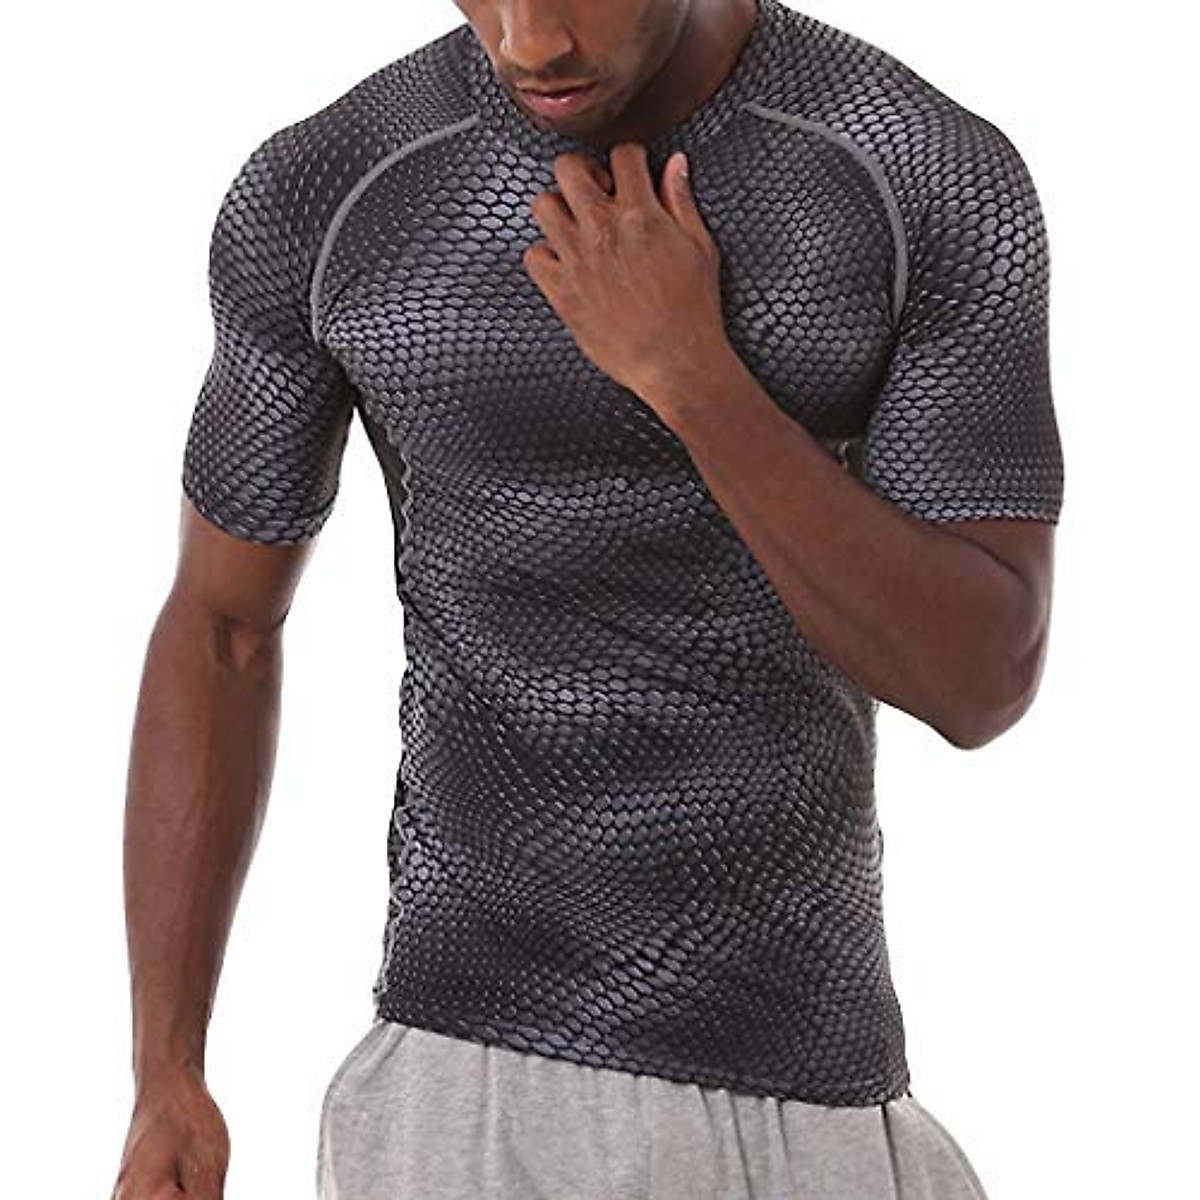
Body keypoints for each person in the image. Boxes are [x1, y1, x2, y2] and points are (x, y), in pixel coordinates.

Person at [112, 0, 1065, 1196]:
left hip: (808, 1089)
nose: (529, 40)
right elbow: (223, 628)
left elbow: (983, 677)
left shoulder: (918, 171)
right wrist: (167, 1071)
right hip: (459, 1085)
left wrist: (692, 376)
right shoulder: (332, 186)